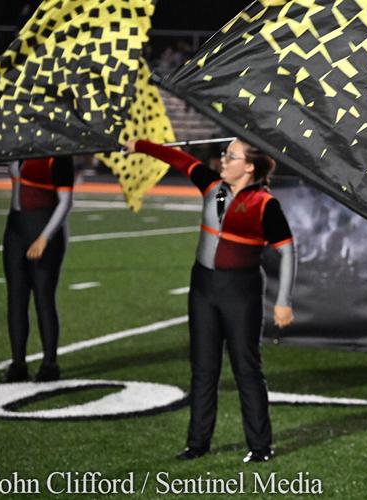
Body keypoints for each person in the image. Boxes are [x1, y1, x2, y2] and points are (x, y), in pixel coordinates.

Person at [123, 138, 296, 463]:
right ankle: (197, 443)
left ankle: (260, 446)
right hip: (203, 286)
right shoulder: (211, 184)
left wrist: (283, 300)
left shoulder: (264, 203)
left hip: (240, 290)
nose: (222, 160)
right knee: (203, 368)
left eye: (230, 156)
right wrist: (141, 145)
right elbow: (176, 157)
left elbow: (286, 251)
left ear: (248, 166)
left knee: (246, 368)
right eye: (223, 154)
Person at [1, 156, 75, 383]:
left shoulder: (58, 156)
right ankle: (18, 363)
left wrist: (44, 238)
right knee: (16, 297)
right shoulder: (17, 147)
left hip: (44, 228)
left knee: (43, 297)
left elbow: (65, 202)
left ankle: (49, 364)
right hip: (15, 229)